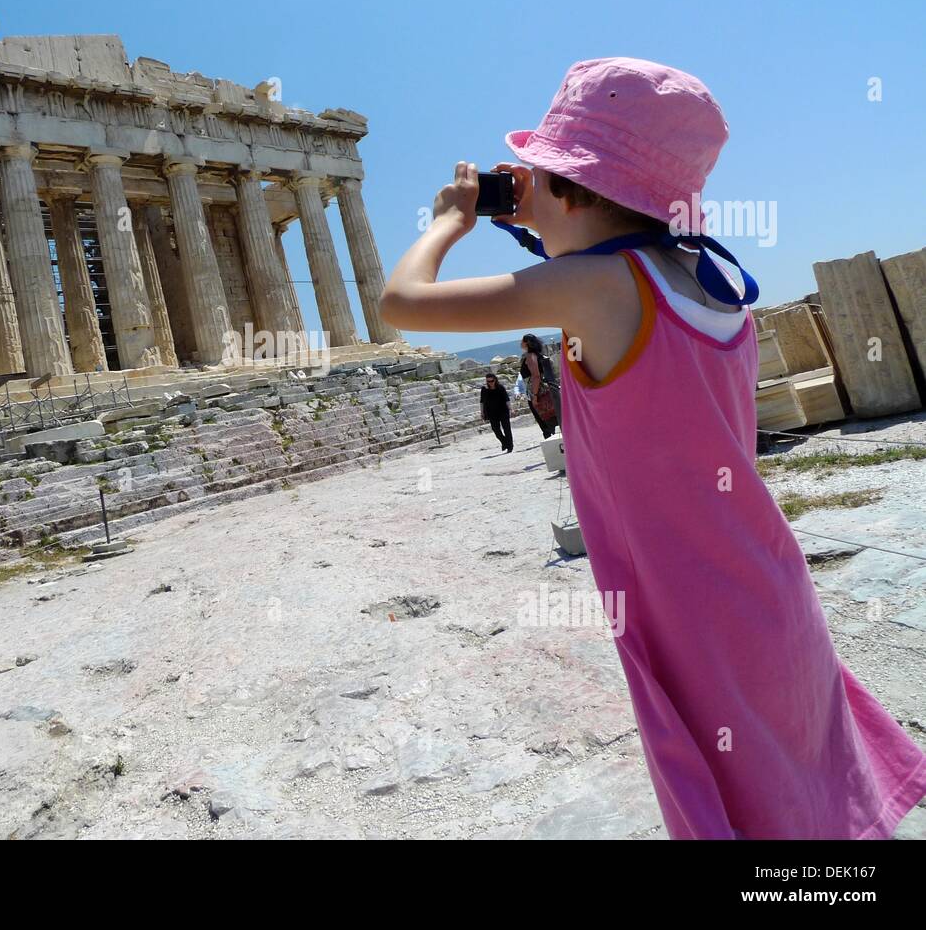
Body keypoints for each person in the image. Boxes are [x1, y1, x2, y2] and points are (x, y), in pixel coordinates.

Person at [378, 57, 926, 840]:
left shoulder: (590, 289)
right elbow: (603, 257)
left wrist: (450, 219)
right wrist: (541, 210)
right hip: (764, 590)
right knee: (798, 794)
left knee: (724, 805)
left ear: (568, 187)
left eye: (542, 176)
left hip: (692, 617)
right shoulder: (704, 282)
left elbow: (404, 303)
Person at [519, 333, 559, 438]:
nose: (520, 343)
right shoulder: (539, 355)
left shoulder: (530, 356)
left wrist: (535, 396)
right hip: (548, 390)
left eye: (522, 341)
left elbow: (536, 376)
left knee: (545, 423)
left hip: (538, 392)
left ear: (526, 343)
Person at [479, 372, 513, 452]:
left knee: (507, 429)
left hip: (503, 411)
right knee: (496, 430)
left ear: (495, 380)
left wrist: (511, 409)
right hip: (492, 413)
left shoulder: (500, 387)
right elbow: (482, 402)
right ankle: (504, 442)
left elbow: (507, 399)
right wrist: (482, 412)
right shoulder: (484, 389)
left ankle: (510, 446)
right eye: (488, 381)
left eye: (492, 381)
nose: (490, 383)